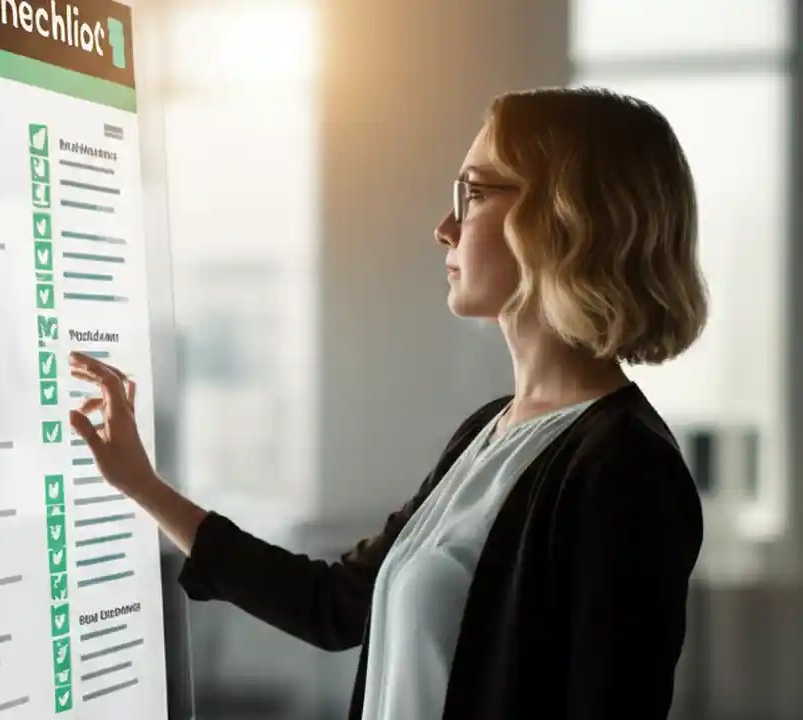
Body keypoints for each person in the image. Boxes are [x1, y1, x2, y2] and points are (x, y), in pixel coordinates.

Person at [67, 86, 707, 720]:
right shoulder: (488, 431)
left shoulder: (626, 468)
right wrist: (141, 484)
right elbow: (334, 605)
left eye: (475, 194)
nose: (444, 228)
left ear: (568, 221)